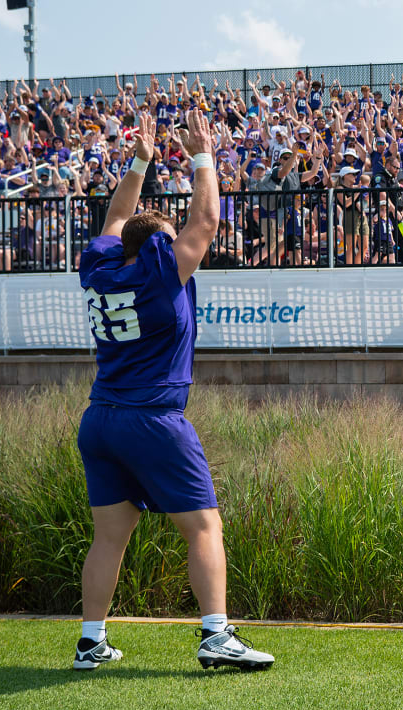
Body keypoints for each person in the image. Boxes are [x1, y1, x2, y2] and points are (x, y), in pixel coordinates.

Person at [74, 109, 273, 672]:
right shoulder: (158, 273)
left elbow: (116, 217)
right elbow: (205, 222)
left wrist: (139, 161)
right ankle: (216, 633)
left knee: (109, 536)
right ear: (157, 250)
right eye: (170, 243)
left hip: (101, 418)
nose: (180, 250)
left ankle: (91, 642)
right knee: (204, 524)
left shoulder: (104, 267)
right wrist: (202, 155)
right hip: (152, 417)